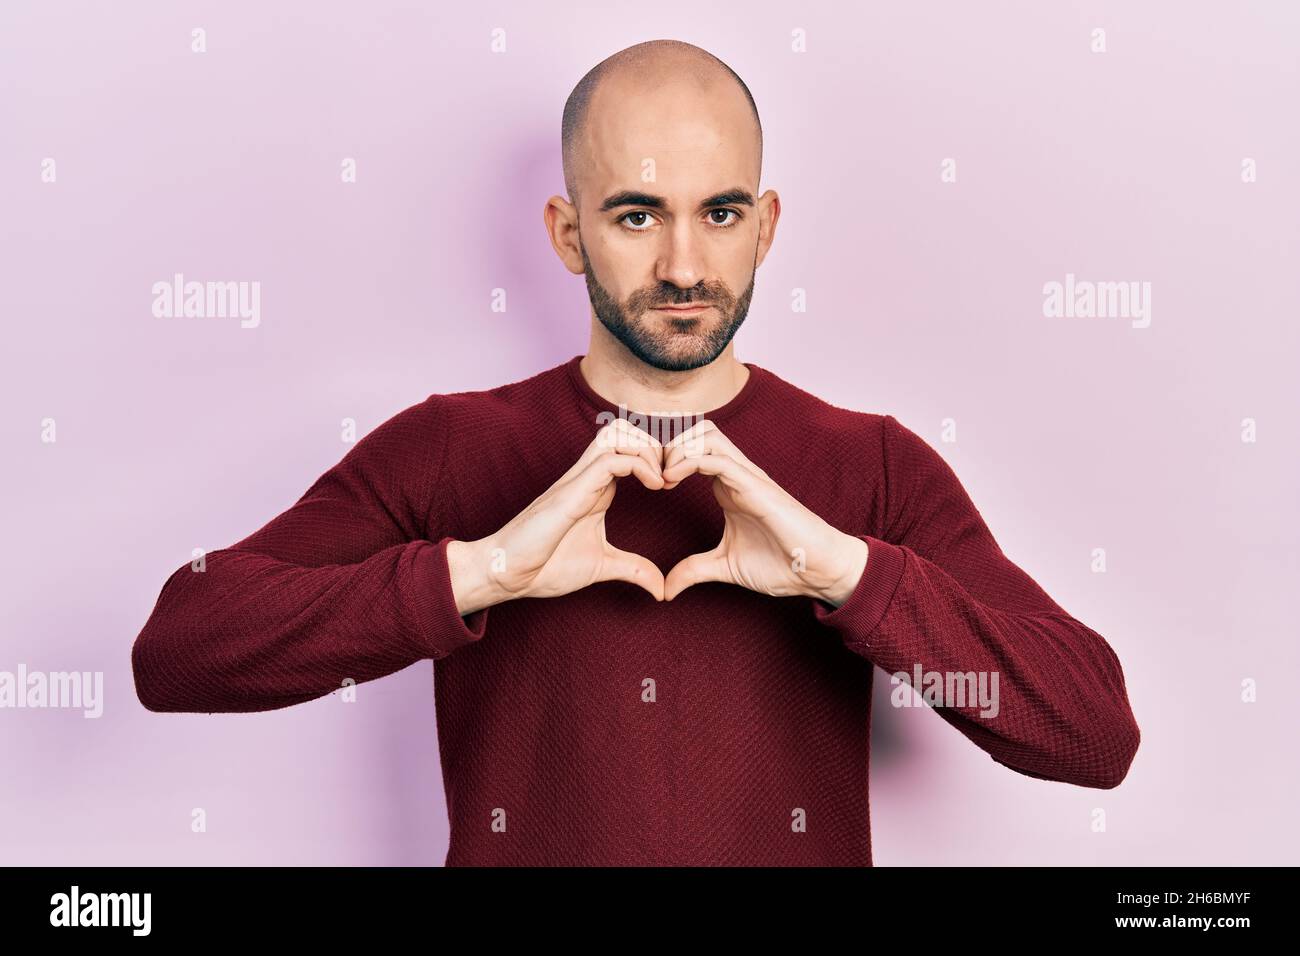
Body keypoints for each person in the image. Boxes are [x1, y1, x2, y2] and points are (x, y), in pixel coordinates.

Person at [131, 39, 1140, 866]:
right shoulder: (454, 447)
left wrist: (845, 570)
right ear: (568, 233)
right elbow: (180, 649)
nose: (684, 264)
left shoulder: (869, 465)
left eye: (720, 212)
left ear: (766, 224)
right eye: (635, 215)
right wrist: (482, 571)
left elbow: (1092, 730)